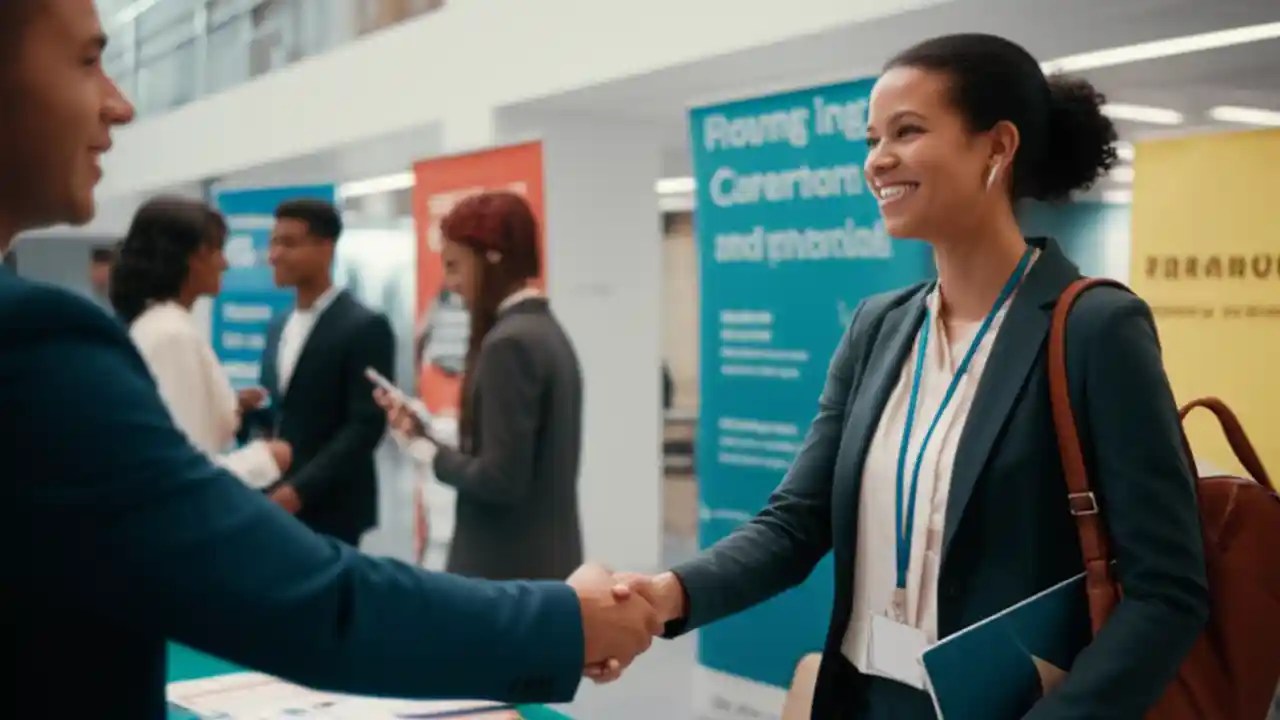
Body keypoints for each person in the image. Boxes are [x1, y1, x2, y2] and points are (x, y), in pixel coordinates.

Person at [0, 1, 658, 716]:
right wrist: (565, 622)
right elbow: (303, 597)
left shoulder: (479, 337)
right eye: (87, 61)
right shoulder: (34, 338)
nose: (120, 105)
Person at [595, 33, 1209, 718]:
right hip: (862, 696)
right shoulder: (879, 328)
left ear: (997, 148)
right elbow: (795, 524)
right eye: (870, 139)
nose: (877, 160)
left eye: (907, 132)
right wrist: (665, 596)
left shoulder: (1095, 328)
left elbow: (1167, 590)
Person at [379, 191, 584, 581]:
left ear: (494, 258)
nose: (451, 284)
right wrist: (432, 432)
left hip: (505, 572)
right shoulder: (546, 331)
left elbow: (500, 480)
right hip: (542, 565)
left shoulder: (509, 345)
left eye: (456, 266)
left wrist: (425, 449)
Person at [109, 196, 291, 489]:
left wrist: (229, 405)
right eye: (217, 250)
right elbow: (178, 475)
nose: (225, 263)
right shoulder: (172, 335)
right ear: (189, 257)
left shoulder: (158, 324)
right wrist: (266, 459)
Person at [243, 198, 390, 546]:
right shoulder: (279, 326)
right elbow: (280, 414)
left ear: (326, 248)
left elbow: (365, 425)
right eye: (273, 242)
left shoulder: (364, 326)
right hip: (273, 500)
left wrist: (299, 491)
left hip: (331, 508)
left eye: (289, 243)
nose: (274, 255)